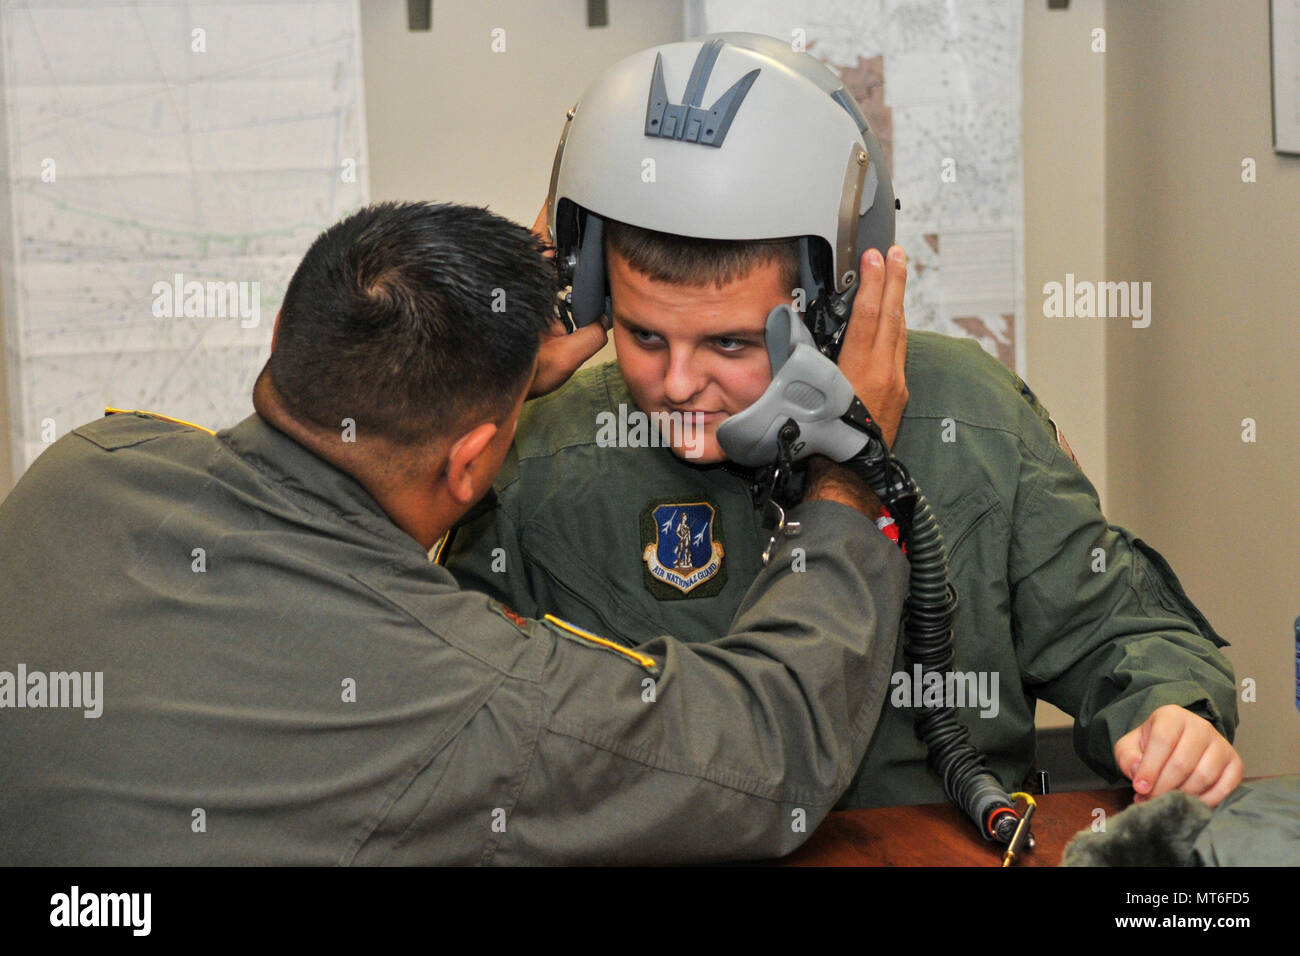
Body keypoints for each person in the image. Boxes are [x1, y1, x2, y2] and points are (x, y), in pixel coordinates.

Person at [444, 34, 1243, 813]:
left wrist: (1172, 715)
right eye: (646, 335)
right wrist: (483, 390)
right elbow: (433, 702)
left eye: (731, 342)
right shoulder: (540, 448)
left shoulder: (974, 415)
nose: (680, 384)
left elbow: (1118, 628)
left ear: (833, 311)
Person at [0, 200, 911, 865]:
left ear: (279, 333)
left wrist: (498, 377)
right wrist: (844, 468)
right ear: (472, 463)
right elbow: (772, 750)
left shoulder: (86, 463)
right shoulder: (476, 699)